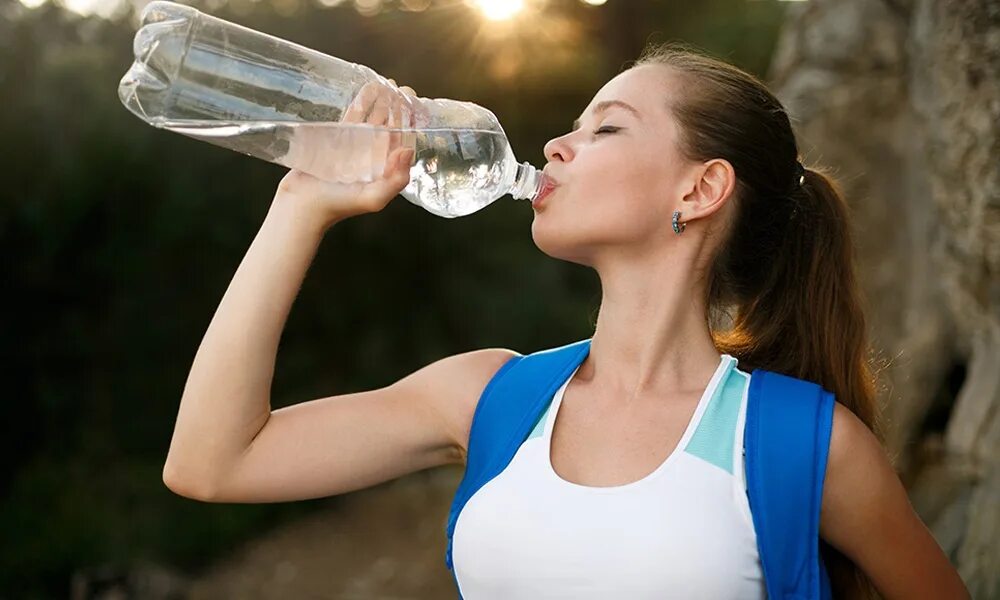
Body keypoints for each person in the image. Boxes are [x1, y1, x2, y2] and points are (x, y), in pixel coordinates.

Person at [162, 42, 971, 599]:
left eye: (605, 127)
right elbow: (212, 462)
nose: (555, 144)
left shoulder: (807, 444)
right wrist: (300, 205)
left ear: (699, 190)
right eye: (575, 126)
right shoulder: (490, 397)